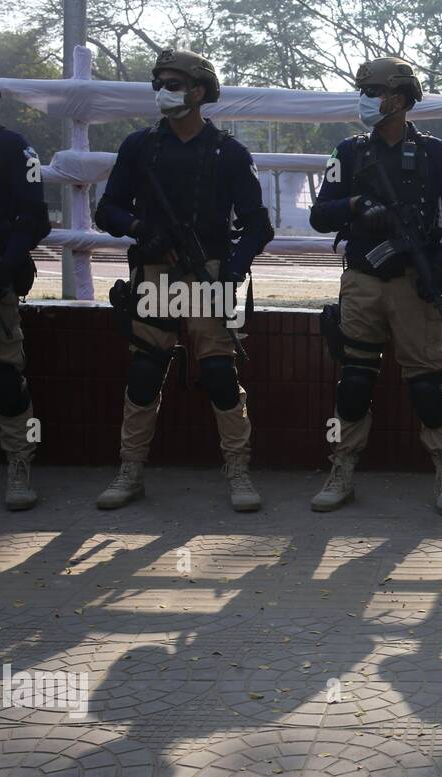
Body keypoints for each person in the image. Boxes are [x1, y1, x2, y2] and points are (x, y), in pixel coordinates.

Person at [93, 49, 273, 511]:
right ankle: (130, 470)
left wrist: (234, 268)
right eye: (160, 82)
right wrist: (141, 231)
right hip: (155, 273)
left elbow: (258, 225)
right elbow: (107, 210)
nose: (163, 91)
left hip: (210, 273)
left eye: (173, 83)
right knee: (144, 372)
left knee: (218, 374)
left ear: (198, 91)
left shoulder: (229, 151)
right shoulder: (140, 145)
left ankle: (238, 470)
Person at [307, 56, 442, 513]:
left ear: (399, 99)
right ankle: (341, 466)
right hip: (362, 280)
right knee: (354, 382)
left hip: (412, 284)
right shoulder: (348, 152)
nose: (364, 99)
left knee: (427, 384)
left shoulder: (437, 154)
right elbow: (320, 216)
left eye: (373, 91)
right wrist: (356, 205)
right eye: (362, 90)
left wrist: (440, 268)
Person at [0, 59, 51, 510]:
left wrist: (4, 271)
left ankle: (21, 461)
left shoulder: (13, 147)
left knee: (6, 378)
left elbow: (34, 217)